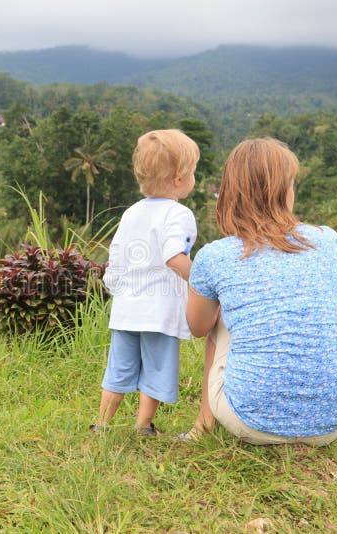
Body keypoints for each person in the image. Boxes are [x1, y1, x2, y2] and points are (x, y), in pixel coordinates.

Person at [181, 137, 337, 445]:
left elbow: (198, 327)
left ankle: (203, 425)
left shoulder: (215, 256)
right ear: (285, 191)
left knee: (218, 319)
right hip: (333, 423)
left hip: (249, 423)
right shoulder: (328, 240)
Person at [91, 129, 199, 436]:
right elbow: (174, 257)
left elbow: (115, 258)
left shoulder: (131, 213)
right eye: (192, 172)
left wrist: (120, 291)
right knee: (156, 367)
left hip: (126, 308)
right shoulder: (178, 214)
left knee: (118, 368)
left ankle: (102, 423)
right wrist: (202, 282)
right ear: (179, 179)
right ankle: (143, 424)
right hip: (159, 310)